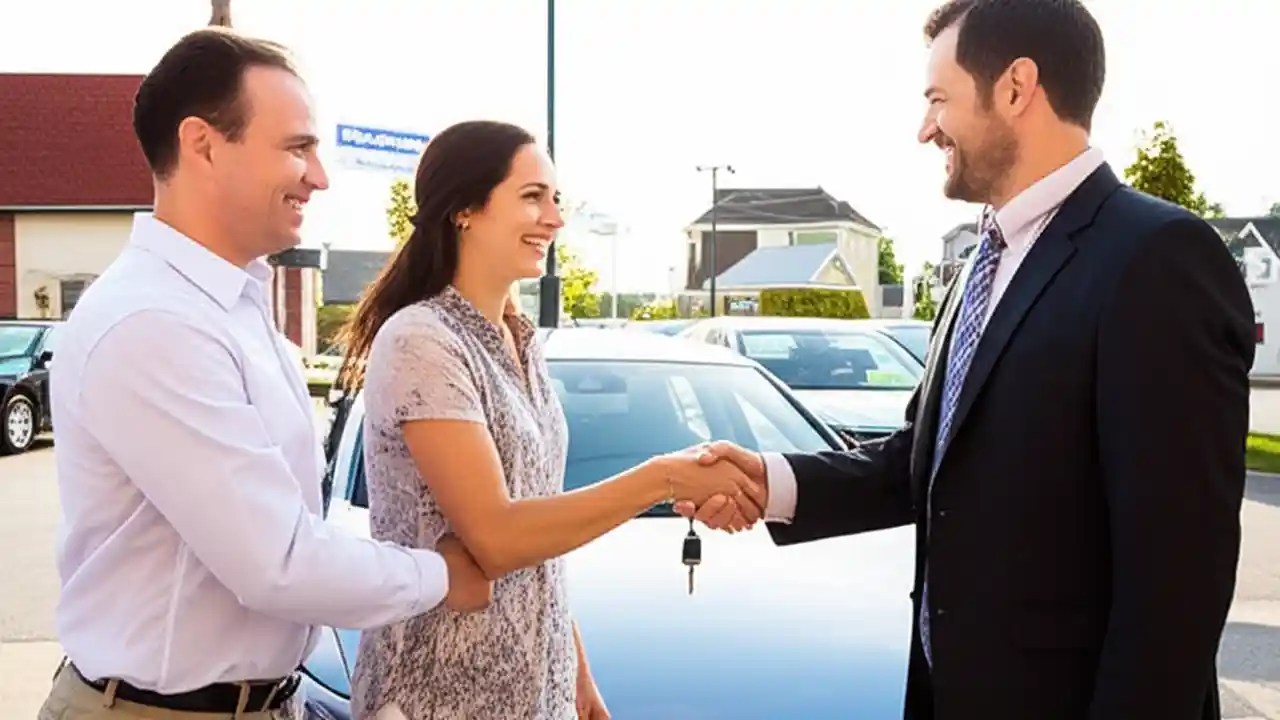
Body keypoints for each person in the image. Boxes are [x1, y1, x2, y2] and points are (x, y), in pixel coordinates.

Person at [683, 1, 1255, 718]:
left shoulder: (1158, 258)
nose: (925, 129)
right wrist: (770, 480)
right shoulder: (977, 267)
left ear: (1016, 88)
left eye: (937, 99)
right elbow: (924, 464)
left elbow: (1177, 581)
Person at [38, 28, 491, 720]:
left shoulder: (233, 311)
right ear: (203, 143)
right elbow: (277, 562)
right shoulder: (152, 324)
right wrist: (441, 575)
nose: (320, 175)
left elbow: (293, 523)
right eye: (297, 147)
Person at [336, 119, 766, 720]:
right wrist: (663, 480)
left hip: (539, 697)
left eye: (556, 199)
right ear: (463, 208)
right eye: (532, 196)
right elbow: (498, 537)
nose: (556, 219)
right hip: (436, 698)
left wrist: (576, 673)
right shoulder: (421, 339)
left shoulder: (521, 339)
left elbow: (542, 546)